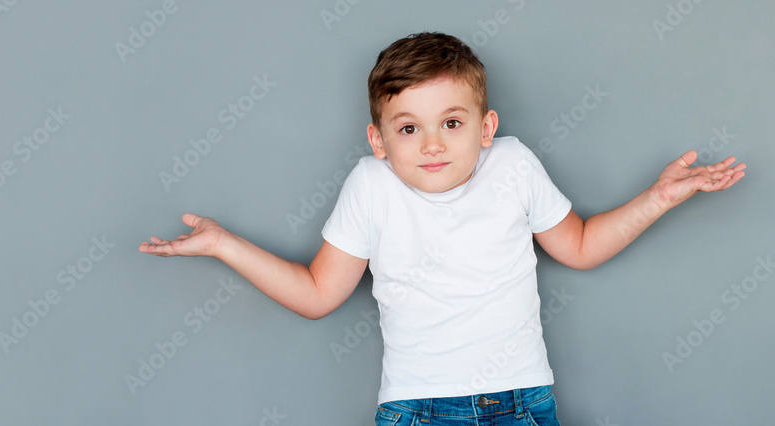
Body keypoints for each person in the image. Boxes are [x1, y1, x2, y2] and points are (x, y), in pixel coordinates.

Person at [137, 32, 746, 425]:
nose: (431, 144)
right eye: (408, 128)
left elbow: (580, 247)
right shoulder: (371, 187)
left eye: (451, 123)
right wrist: (223, 244)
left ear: (486, 127)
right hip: (419, 410)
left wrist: (658, 198)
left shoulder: (512, 165)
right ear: (377, 140)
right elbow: (319, 294)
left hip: (523, 402)